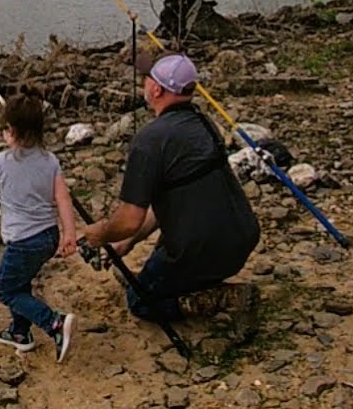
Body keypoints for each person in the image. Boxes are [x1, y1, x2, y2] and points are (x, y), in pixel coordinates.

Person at [81, 52, 260, 323]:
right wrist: (126, 243)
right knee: (154, 273)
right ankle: (170, 280)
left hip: (200, 251)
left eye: (147, 79)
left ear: (157, 89)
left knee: (139, 301)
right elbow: (166, 201)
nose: (144, 83)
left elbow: (130, 218)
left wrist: (101, 233)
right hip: (241, 237)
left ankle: (224, 298)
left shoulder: (149, 141)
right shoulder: (204, 123)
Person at [0, 87, 78, 362]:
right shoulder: (50, 161)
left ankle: (54, 323)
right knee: (20, 282)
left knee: (7, 290)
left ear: (10, 130)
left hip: (23, 241)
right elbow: (63, 199)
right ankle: (20, 333)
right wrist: (69, 234)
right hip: (48, 237)